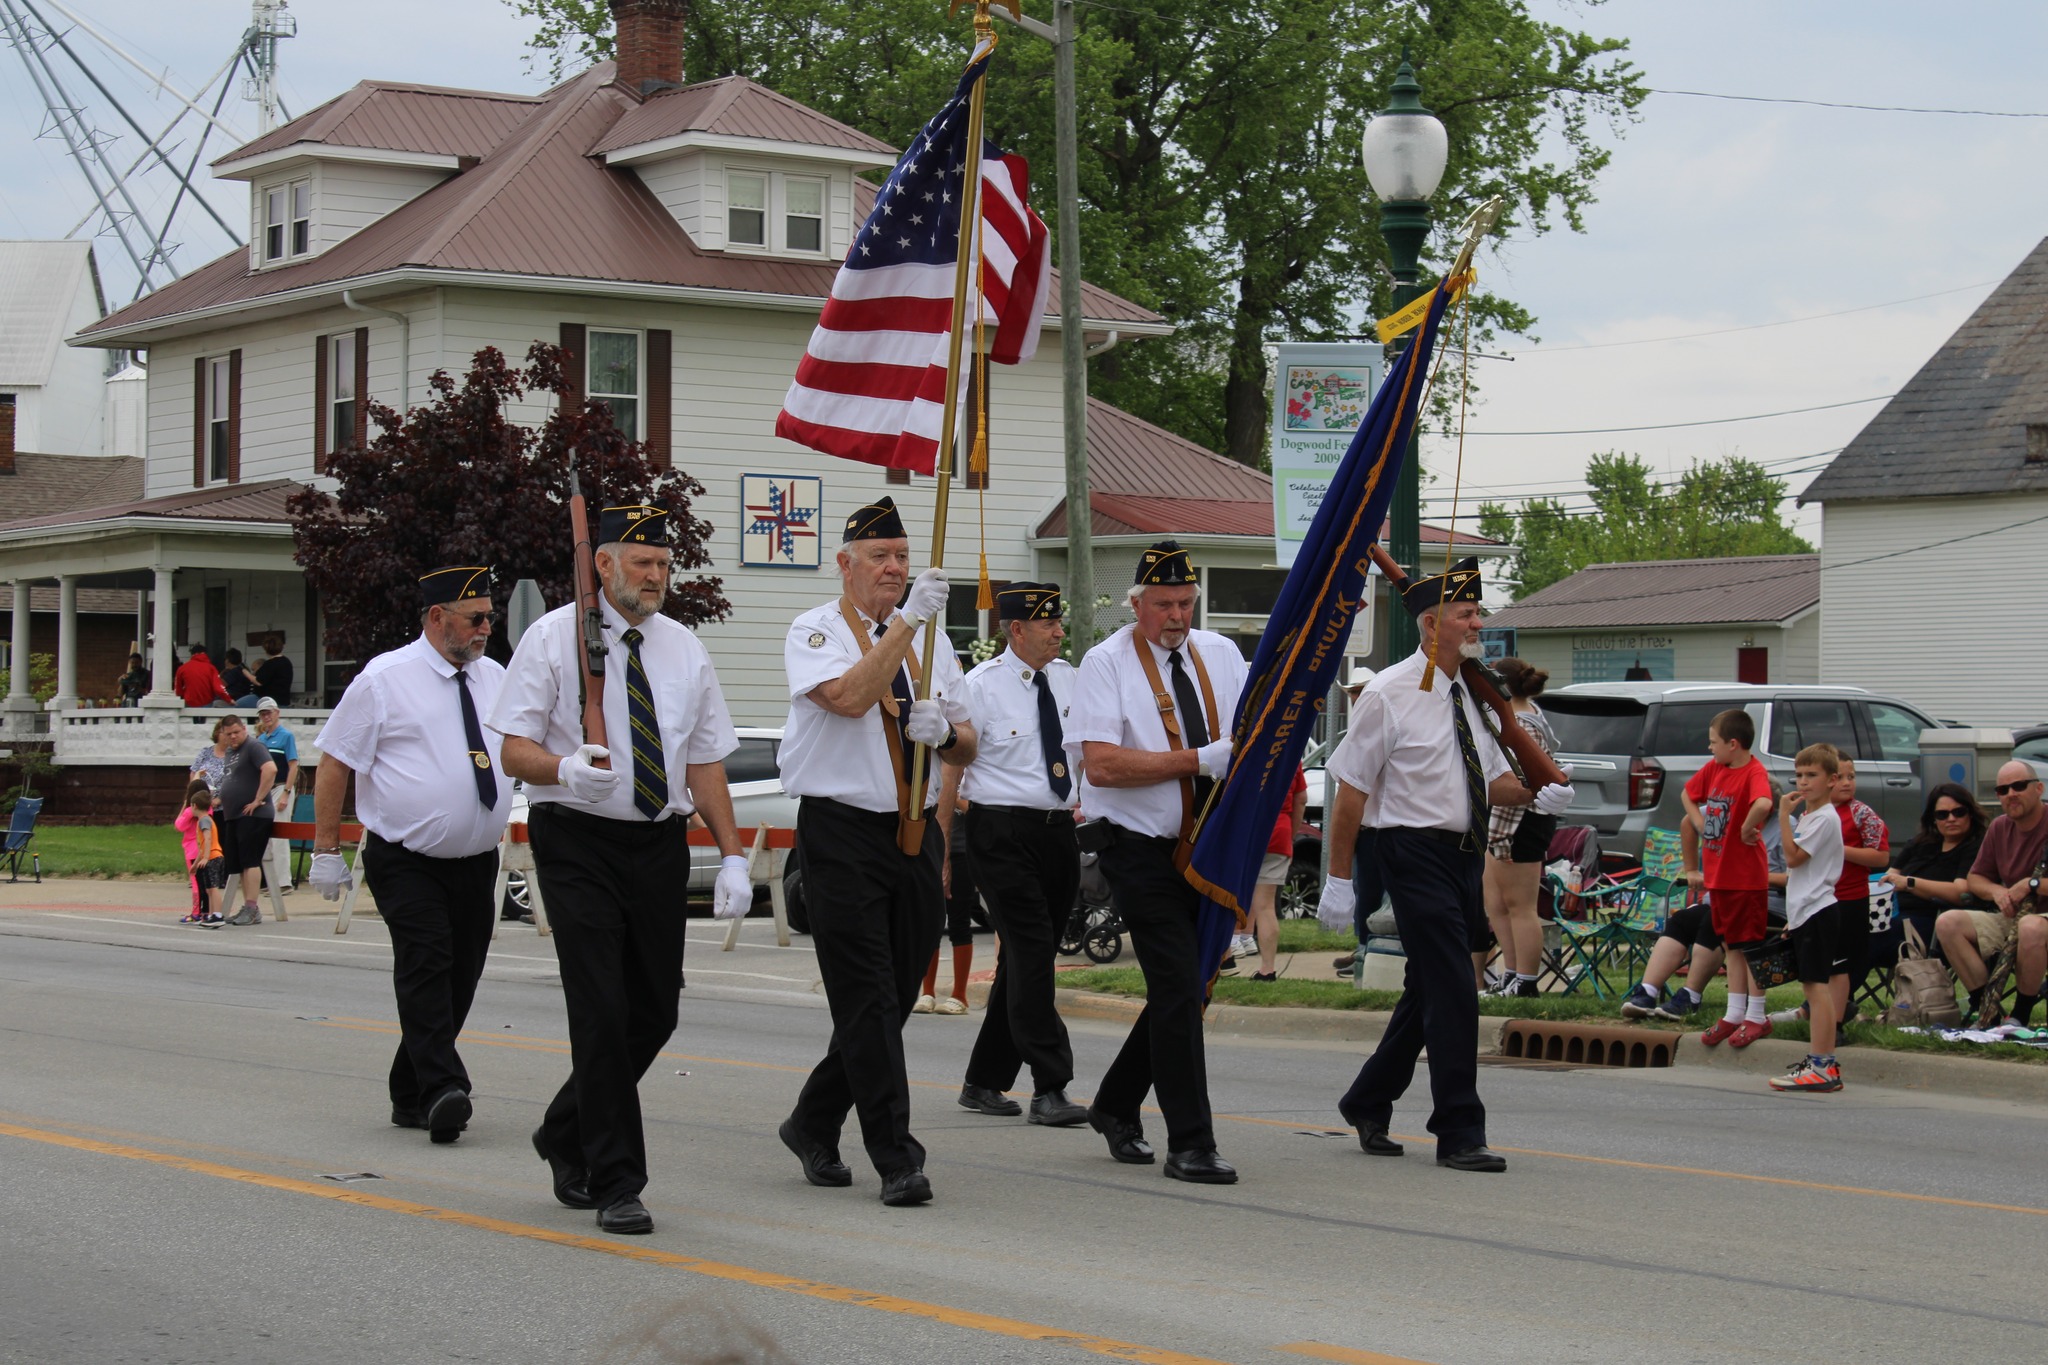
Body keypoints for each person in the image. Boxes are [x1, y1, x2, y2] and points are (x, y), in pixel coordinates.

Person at [491, 508, 753, 1236]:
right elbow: (515, 749)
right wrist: (564, 767)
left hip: (656, 843)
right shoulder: (552, 638)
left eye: (664, 565)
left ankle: (562, 1128)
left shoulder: (684, 649)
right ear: (602, 564)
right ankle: (617, 1179)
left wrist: (730, 850)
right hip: (575, 837)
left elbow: (703, 760)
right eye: (642, 562)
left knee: (654, 1007)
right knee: (601, 1006)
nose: (656, 576)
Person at [1315, 557, 1572, 1174]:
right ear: (1431, 624)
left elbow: (1493, 783)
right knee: (1457, 986)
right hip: (1408, 851)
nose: (1478, 622)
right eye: (1467, 613)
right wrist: (1340, 879)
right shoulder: (1387, 694)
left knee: (1427, 988)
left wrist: (1543, 793)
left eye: (1477, 611)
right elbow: (1350, 788)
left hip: (1465, 855)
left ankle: (1367, 1099)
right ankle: (1459, 1129)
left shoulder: (1473, 694)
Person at [775, 496, 976, 1209]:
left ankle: (811, 1120)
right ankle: (897, 1157)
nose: (893, 569)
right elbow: (851, 696)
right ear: (846, 564)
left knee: (888, 1002)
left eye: (900, 556)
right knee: (864, 998)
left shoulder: (931, 641)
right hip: (840, 834)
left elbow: (968, 738)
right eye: (879, 558)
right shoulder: (817, 628)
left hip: (913, 832)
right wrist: (911, 621)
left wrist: (944, 735)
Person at [313, 566, 518, 1148]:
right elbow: (335, 760)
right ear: (436, 618)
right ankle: (443, 1088)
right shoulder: (385, 679)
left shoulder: (493, 678)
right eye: (474, 618)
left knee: (461, 976)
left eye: (490, 618)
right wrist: (326, 850)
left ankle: (409, 1089)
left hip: (476, 859)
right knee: (427, 962)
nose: (485, 629)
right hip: (406, 857)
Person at [1068, 541, 1246, 1184]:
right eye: (1164, 604)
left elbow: (1254, 736)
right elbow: (1102, 765)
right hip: (1138, 849)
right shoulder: (1105, 663)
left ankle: (1115, 1104)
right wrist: (1199, 760)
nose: (1177, 616)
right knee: (1174, 985)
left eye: (1186, 603)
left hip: (1208, 848)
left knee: (1189, 990)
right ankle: (1191, 1142)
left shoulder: (1222, 654)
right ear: (1136, 605)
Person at [950, 581, 1089, 1128]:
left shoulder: (1071, 680)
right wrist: (941, 847)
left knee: (1025, 960)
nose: (1058, 632)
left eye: (1058, 622)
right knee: (1032, 952)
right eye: (1047, 624)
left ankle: (983, 1079)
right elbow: (952, 767)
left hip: (1058, 832)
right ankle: (1050, 1085)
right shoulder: (979, 687)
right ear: (1015, 629)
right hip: (1000, 831)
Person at [1622, 791, 1787, 1021]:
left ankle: (1690, 996)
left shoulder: (1784, 825)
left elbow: (1793, 877)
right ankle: (1647, 992)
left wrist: (1751, 877)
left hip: (1767, 905)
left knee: (1715, 922)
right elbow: (1688, 821)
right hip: (1721, 898)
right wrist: (1692, 869)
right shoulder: (1727, 814)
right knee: (1682, 920)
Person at [1683, 709, 1776, 1048]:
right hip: (1719, 876)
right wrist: (1698, 822)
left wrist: (1748, 827)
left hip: (1744, 878)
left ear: (1733, 744)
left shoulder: (1753, 772)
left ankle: (1757, 1015)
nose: (1710, 749)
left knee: (1750, 946)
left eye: (1714, 743)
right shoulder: (1715, 769)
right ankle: (1735, 1012)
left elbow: (1764, 802)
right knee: (1730, 946)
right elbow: (1688, 795)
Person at [1939, 761, 2048, 1024]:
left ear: (2039, 789)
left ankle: (2020, 1015)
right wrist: (1998, 892)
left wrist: (2031, 884)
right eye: (2002, 789)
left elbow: (2029, 890)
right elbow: (1975, 878)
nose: (2011, 794)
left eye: (2019, 786)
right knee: (1948, 922)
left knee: (2031, 927)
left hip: (2039, 920)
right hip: (2014, 917)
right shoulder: (1999, 827)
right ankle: (1985, 1007)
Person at [1771, 744, 1848, 1092]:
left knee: (1817, 990)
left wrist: (1781, 818)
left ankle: (1822, 1065)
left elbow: (1793, 857)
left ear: (1832, 780)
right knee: (1812, 986)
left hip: (1820, 910)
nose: (1803, 783)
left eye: (1812, 775)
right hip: (1806, 910)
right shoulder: (1810, 816)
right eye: (1799, 775)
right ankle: (1819, 1063)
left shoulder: (1823, 818)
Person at [1481, 658, 1559, 998]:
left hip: (1521, 822)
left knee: (1520, 905)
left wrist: (1499, 830)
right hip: (1504, 822)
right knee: (1497, 903)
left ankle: (1526, 981)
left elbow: (1524, 781)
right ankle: (1509, 975)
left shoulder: (1523, 725)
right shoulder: (1521, 715)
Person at [1825, 757, 1890, 1026]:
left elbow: (1880, 857)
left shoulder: (1861, 813)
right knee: (1822, 963)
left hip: (1851, 898)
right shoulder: (1809, 814)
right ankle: (1826, 1014)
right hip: (1818, 899)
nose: (1847, 783)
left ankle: (1837, 1021)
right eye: (1839, 777)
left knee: (1847, 962)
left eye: (1851, 776)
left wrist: (1838, 849)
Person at [1881, 783, 1986, 947]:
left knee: (1865, 940)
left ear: (1970, 814)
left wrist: (1909, 883)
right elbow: (1888, 877)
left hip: (1933, 920)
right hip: (1893, 913)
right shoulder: (1920, 843)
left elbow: (1961, 893)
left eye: (1959, 812)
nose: (1951, 819)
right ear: (1934, 819)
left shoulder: (1976, 846)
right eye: (1942, 814)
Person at [919, 766, 978, 1017]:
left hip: (962, 854)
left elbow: (971, 809)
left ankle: (959, 995)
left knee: (959, 923)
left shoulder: (971, 776)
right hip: (933, 851)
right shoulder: (933, 770)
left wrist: (952, 793)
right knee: (931, 924)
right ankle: (927, 992)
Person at [210, 713, 277, 927]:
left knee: (251, 861)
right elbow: (235, 780)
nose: (233, 737)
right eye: (228, 734)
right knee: (237, 864)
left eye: (236, 732)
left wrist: (258, 799)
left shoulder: (254, 747)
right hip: (233, 815)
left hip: (253, 815)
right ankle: (248, 907)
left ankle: (251, 907)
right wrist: (220, 798)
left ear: (244, 730)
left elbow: (270, 769)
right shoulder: (231, 752)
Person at [1245, 766, 1308, 982]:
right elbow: (1301, 799)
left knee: (1232, 898)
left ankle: (1224, 957)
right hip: (1278, 831)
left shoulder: (1249, 747)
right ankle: (1267, 968)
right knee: (1265, 906)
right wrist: (1291, 832)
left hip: (1247, 831)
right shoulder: (1292, 756)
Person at [254, 698, 301, 891]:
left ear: (277, 713)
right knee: (266, 835)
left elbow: (293, 765)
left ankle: (284, 882)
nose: (266, 716)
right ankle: (270, 880)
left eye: (269, 712)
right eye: (263, 713)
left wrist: (286, 793)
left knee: (280, 837)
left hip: (281, 787)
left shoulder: (286, 736)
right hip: (265, 791)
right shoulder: (260, 740)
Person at [176, 781, 226, 925]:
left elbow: (179, 825)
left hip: (204, 854)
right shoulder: (208, 814)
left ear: (194, 805)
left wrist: (203, 858)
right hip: (203, 854)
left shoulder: (200, 819)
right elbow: (202, 844)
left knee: (205, 886)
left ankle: (206, 913)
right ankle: (209, 914)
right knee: (208, 887)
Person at [173, 644, 232, 708]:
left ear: (192, 654)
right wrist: (229, 700)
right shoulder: (211, 668)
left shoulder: (182, 668)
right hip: (207, 703)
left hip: (189, 703)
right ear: (205, 654)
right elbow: (219, 688)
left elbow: (178, 690)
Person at [254, 634, 294, 707]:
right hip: (283, 701)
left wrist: (245, 672)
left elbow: (259, 681)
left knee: (238, 704)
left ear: (266, 649)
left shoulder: (270, 664)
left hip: (269, 701)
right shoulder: (286, 662)